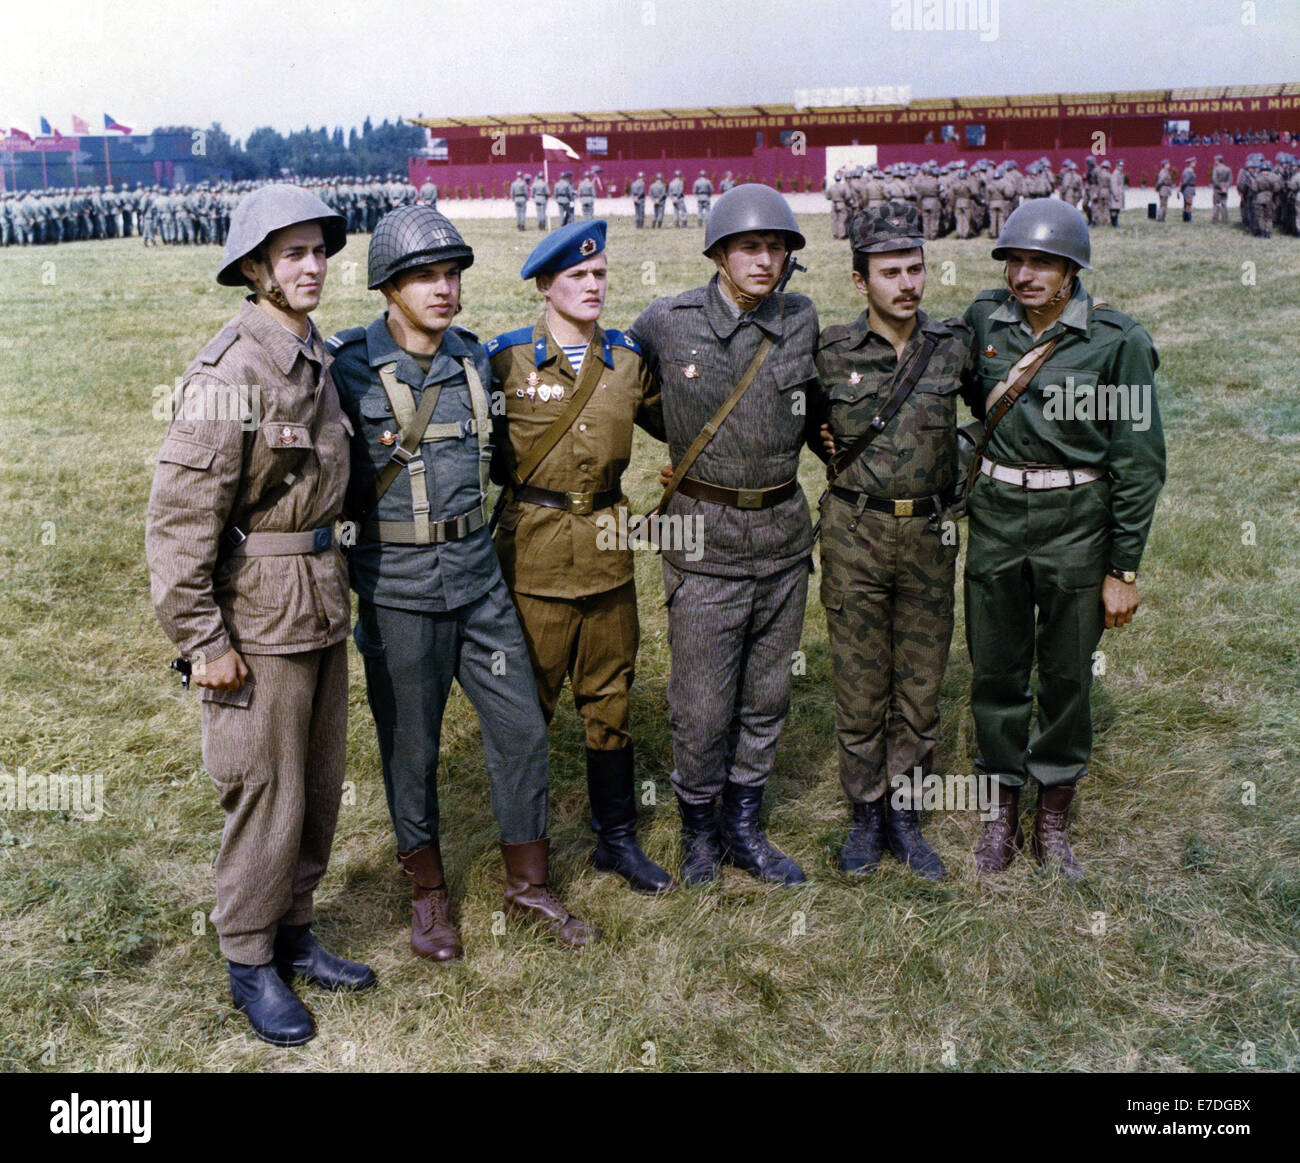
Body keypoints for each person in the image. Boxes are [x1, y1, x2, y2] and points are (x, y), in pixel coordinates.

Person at [327, 206, 595, 957]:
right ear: (388, 285)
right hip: (398, 589)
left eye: (452, 274)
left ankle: (527, 884)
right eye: (424, 276)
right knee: (410, 746)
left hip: (479, 583)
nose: (443, 288)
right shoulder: (343, 366)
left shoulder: (474, 360)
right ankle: (428, 894)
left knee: (521, 727)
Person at [145, 184, 374, 1047]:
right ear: (254, 268)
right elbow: (178, 522)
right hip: (256, 614)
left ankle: (295, 930)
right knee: (263, 789)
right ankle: (248, 956)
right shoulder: (230, 370)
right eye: (292, 254)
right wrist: (203, 640)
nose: (311, 266)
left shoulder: (314, 353)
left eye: (318, 250)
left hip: (319, 599)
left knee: (316, 784)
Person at [959, 198, 1166, 881]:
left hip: (1076, 525)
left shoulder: (1115, 340)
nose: (1024, 275)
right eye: (1015, 260)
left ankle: (1051, 814)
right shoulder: (985, 321)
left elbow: (1138, 462)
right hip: (995, 519)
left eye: (1042, 262)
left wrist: (1123, 569)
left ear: (1072, 269)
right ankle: (1001, 810)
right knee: (995, 668)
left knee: (1068, 675)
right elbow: (955, 393)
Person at [628, 184, 820, 886]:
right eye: (750, 247)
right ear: (718, 253)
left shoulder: (800, 319)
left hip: (781, 538)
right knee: (702, 704)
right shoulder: (667, 320)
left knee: (766, 694)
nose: (765, 260)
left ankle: (745, 824)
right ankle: (699, 829)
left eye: (776, 248)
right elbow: (625, 383)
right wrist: (685, 446)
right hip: (703, 541)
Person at [486, 219, 674, 894]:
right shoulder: (504, 360)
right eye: (577, 277)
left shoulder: (627, 360)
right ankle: (527, 854)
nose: (593, 286)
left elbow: (682, 422)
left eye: (600, 275)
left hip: (607, 551)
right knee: (526, 708)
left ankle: (616, 838)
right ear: (545, 285)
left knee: (611, 698)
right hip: (532, 558)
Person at [810, 202, 973, 881]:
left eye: (915, 269)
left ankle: (906, 814)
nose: (907, 283)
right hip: (856, 534)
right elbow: (795, 420)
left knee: (920, 684)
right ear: (859, 281)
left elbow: (1000, 410)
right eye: (889, 272)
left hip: (931, 536)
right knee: (859, 681)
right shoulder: (829, 353)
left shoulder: (955, 345)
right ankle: (866, 811)